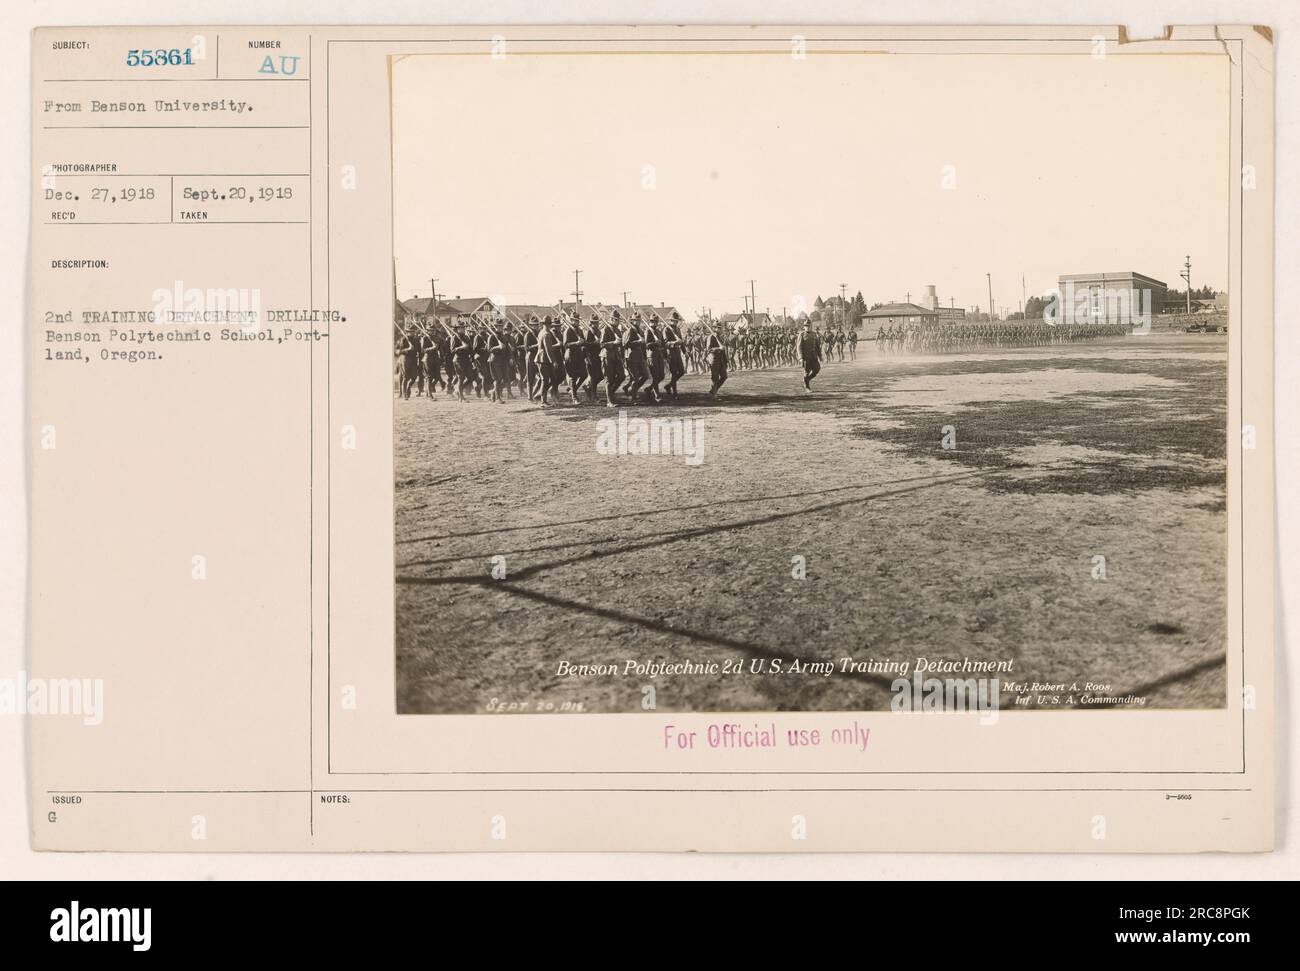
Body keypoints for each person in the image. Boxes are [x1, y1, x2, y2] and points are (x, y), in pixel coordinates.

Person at [798, 322, 821, 393]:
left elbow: (817, 346)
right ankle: (807, 387)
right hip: (806, 357)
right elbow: (799, 347)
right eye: (806, 326)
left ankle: (806, 379)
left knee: (817, 369)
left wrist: (820, 355)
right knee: (807, 371)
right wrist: (801, 357)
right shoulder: (801, 335)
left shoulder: (814, 334)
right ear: (804, 327)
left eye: (809, 326)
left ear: (811, 326)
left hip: (814, 356)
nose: (807, 327)